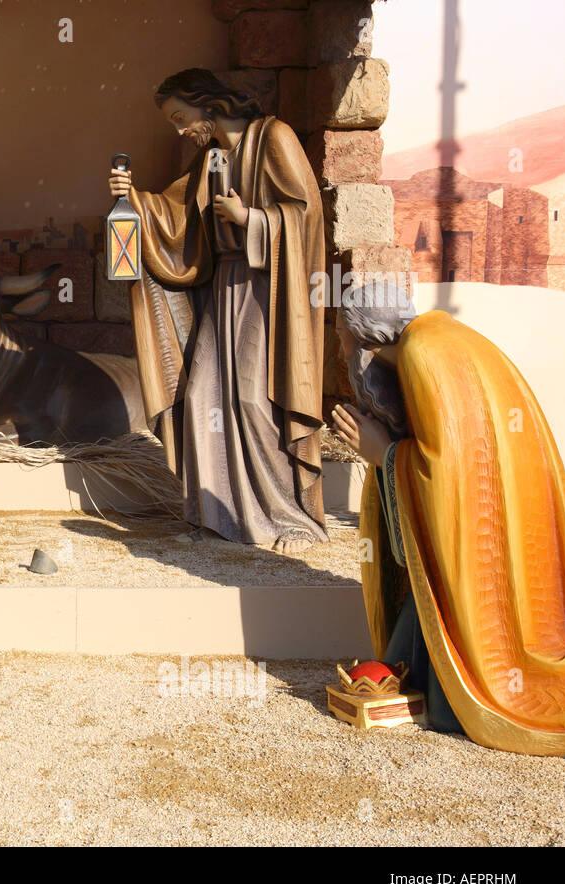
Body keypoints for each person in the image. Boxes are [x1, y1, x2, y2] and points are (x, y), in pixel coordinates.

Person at [331, 283, 565, 755]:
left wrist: (382, 454)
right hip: (490, 507)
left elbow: (444, 469)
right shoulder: (440, 336)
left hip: (476, 518)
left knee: (448, 688)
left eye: (340, 337)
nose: (339, 351)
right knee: (407, 650)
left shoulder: (423, 354)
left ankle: (454, 697)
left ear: (366, 340)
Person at [109, 68, 327, 554]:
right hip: (225, 287)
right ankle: (217, 515)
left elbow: (307, 216)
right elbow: (176, 216)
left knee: (254, 399)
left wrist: (251, 219)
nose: (180, 129)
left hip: (270, 292)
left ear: (206, 102)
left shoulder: (275, 137)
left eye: (181, 117)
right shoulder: (210, 159)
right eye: (174, 123)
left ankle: (289, 519)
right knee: (204, 393)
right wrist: (131, 200)